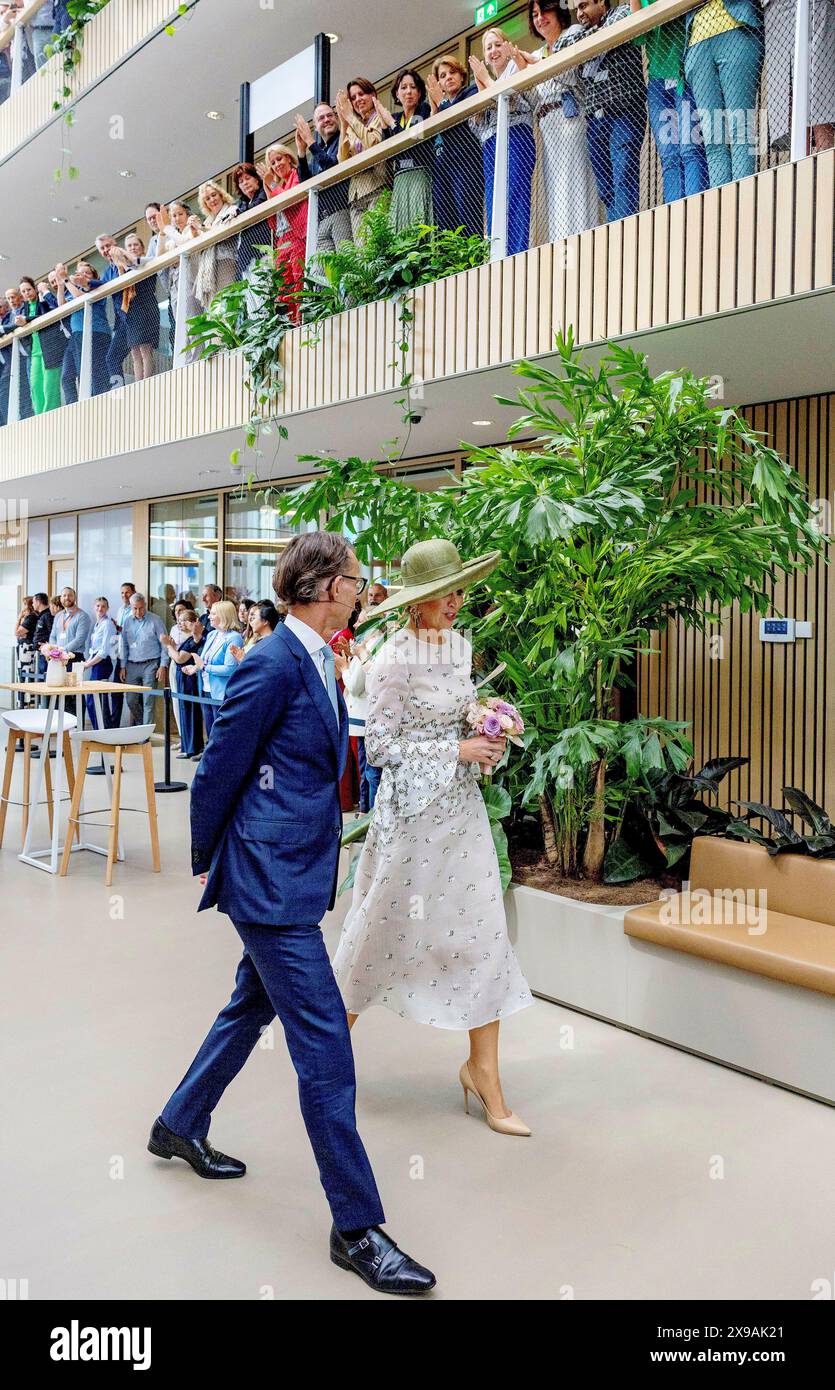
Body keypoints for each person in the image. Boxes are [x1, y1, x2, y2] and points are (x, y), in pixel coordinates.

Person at [151, 530, 435, 1296]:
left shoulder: (314, 656)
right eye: (354, 576)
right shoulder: (272, 662)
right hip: (267, 879)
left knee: (248, 1007)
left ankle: (179, 1123)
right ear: (325, 586)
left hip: (291, 867)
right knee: (324, 1048)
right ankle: (356, 1229)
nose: (362, 585)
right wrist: (210, 858)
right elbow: (219, 764)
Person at [333, 540, 533, 1136]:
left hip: (462, 814)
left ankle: (484, 1072)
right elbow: (381, 749)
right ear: (418, 602)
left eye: (461, 589)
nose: (458, 601)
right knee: (378, 929)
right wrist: (457, 749)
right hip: (411, 820)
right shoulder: (393, 658)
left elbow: (457, 706)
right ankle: (323, 1056)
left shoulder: (460, 646)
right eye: (447, 592)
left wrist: (484, 716)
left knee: (482, 933)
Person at [514, 1, 601, 240]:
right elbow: (534, 101)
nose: (540, 18)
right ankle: (563, 251)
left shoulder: (572, 34)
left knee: (575, 183)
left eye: (544, 12)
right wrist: (524, 73)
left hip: (570, 117)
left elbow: (572, 75)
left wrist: (536, 66)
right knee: (555, 190)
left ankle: (584, 242)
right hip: (547, 125)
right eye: (534, 15)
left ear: (558, 12)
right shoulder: (537, 53)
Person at [575, 0, 648, 223]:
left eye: (584, 5)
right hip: (595, 117)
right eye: (577, 8)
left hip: (624, 110)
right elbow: (561, 47)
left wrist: (588, 45)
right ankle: (617, 231)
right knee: (605, 188)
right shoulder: (581, 34)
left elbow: (612, 31)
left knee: (623, 177)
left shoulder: (623, 11)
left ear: (601, 3)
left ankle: (626, 236)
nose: (580, 14)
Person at [629, 0, 708, 202]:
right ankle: (675, 213)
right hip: (657, 80)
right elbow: (638, 36)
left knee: (690, 148)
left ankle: (696, 206)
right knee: (669, 156)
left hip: (684, 69)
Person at [681, 0, 764, 188]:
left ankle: (744, 204)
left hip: (736, 27)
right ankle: (724, 211)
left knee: (740, 129)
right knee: (713, 140)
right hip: (697, 41)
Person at [469, 29, 537, 257]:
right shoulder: (490, 79)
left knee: (516, 194)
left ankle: (517, 252)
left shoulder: (515, 67)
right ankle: (497, 255)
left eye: (497, 45)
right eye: (488, 48)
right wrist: (482, 85)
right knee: (494, 200)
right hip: (490, 143)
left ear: (507, 47)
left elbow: (516, 102)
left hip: (516, 135)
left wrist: (487, 81)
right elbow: (477, 125)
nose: (493, 51)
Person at [762, 0, 835, 156]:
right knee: (793, 102)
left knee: (820, 99)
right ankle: (802, 168)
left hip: (813, 6)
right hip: (776, 12)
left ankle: (826, 167)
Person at [427, 55, 485, 239]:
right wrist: (434, 109)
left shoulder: (470, 92)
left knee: (467, 216)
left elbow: (459, 124)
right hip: (443, 169)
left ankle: (474, 263)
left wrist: (441, 103)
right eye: (442, 76)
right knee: (445, 225)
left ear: (461, 75)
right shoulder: (438, 104)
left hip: (466, 166)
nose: (448, 77)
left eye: (452, 72)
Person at [380, 69, 434, 233]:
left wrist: (392, 124)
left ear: (419, 92)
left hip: (420, 173)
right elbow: (390, 154)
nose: (408, 91)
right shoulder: (395, 117)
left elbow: (415, 144)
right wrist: (385, 127)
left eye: (413, 87)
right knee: (401, 227)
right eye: (403, 87)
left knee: (420, 223)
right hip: (400, 178)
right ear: (397, 93)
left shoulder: (423, 110)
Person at [336, 77, 391, 237]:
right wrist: (344, 124)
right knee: (361, 252)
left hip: (377, 186)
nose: (358, 100)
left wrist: (351, 119)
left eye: (361, 94)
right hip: (356, 195)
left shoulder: (381, 116)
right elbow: (342, 160)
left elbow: (373, 144)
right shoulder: (353, 125)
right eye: (353, 98)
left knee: (376, 244)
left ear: (373, 94)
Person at [295, 104, 353, 253]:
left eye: (330, 115)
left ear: (336, 118)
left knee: (346, 263)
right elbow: (305, 184)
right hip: (322, 218)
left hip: (341, 211)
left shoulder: (343, 138)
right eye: (321, 118)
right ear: (315, 126)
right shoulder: (318, 152)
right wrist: (301, 152)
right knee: (322, 274)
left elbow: (331, 166)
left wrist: (310, 142)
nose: (327, 120)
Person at [183, 599, 241, 740]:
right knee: (210, 732)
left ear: (223, 615)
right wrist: (195, 667)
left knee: (221, 734)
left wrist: (204, 667)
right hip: (205, 689)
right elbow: (204, 662)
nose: (209, 617)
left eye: (213, 613)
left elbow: (229, 669)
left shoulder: (234, 638)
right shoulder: (211, 634)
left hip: (221, 693)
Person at [54, 260, 112, 398]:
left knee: (93, 371)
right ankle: (74, 404)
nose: (84, 275)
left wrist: (66, 280)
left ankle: (95, 399)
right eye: (81, 273)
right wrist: (61, 284)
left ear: (93, 276)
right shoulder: (75, 290)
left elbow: (81, 298)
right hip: (77, 334)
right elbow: (62, 305)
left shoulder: (97, 285)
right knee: (67, 375)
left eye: (87, 273)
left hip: (96, 333)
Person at [258, 144, 308, 304]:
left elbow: (291, 202)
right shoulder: (279, 185)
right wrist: (268, 188)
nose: (277, 165)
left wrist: (272, 184)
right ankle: (291, 323)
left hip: (296, 235)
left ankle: (302, 321)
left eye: (279, 159)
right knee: (284, 286)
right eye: (272, 163)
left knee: (298, 279)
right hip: (281, 241)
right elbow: (273, 223)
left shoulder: (296, 174)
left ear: (288, 157)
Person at [118, 591, 168, 726]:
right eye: (135, 608)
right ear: (131, 607)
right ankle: (142, 725)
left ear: (145, 605)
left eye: (141, 608)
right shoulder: (127, 621)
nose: (138, 611)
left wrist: (163, 665)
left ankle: (145, 738)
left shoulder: (155, 620)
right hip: (132, 665)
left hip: (150, 664)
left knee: (148, 701)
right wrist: (123, 666)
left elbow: (165, 644)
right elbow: (124, 645)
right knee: (130, 700)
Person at [161, 609, 205, 759]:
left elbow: (179, 658)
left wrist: (168, 646)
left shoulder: (194, 640)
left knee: (190, 711)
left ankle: (193, 747)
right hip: (183, 677)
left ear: (195, 622)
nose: (181, 624)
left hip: (189, 678)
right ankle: (187, 745)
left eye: (185, 620)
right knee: (183, 711)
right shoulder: (188, 639)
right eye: (179, 621)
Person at [18, 276, 63, 414]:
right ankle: (39, 417)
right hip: (35, 352)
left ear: (34, 289)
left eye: (29, 289)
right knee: (36, 387)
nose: (27, 293)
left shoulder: (42, 301)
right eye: (23, 291)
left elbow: (46, 315)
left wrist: (27, 319)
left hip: (49, 348)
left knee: (49, 387)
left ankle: (51, 417)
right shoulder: (23, 309)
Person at [192, 181, 238, 311]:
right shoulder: (208, 221)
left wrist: (201, 228)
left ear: (221, 195)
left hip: (226, 262)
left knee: (226, 302)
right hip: (210, 268)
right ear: (204, 203)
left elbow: (225, 232)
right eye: (207, 198)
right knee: (214, 307)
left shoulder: (231, 209)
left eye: (214, 195)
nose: (212, 200)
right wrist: (195, 233)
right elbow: (200, 249)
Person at [121, 233, 159, 381]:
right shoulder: (126, 268)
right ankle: (138, 384)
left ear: (142, 248)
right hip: (132, 311)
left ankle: (147, 382)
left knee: (145, 349)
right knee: (134, 352)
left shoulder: (145, 261)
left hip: (146, 308)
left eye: (135, 244)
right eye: (129, 246)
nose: (132, 248)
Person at [95, 233, 130, 389]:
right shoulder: (108, 271)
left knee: (139, 353)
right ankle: (119, 395)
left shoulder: (125, 258)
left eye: (108, 246)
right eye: (102, 248)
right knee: (112, 358)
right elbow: (100, 285)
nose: (106, 250)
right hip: (122, 320)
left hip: (134, 315)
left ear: (115, 244)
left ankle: (121, 395)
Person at [82, 597, 119, 728]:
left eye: (103, 606)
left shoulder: (108, 624)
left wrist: (88, 664)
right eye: (98, 606)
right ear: (94, 607)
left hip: (102, 664)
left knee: (96, 700)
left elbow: (103, 651)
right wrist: (88, 662)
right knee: (93, 700)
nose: (100, 609)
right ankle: (99, 729)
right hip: (95, 663)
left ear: (107, 608)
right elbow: (94, 648)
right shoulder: (98, 624)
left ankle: (102, 730)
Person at [231, 163, 268, 278]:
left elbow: (259, 205)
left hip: (263, 251)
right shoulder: (243, 203)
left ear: (257, 179)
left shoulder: (264, 192)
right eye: (241, 182)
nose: (245, 183)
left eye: (247, 178)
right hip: (247, 256)